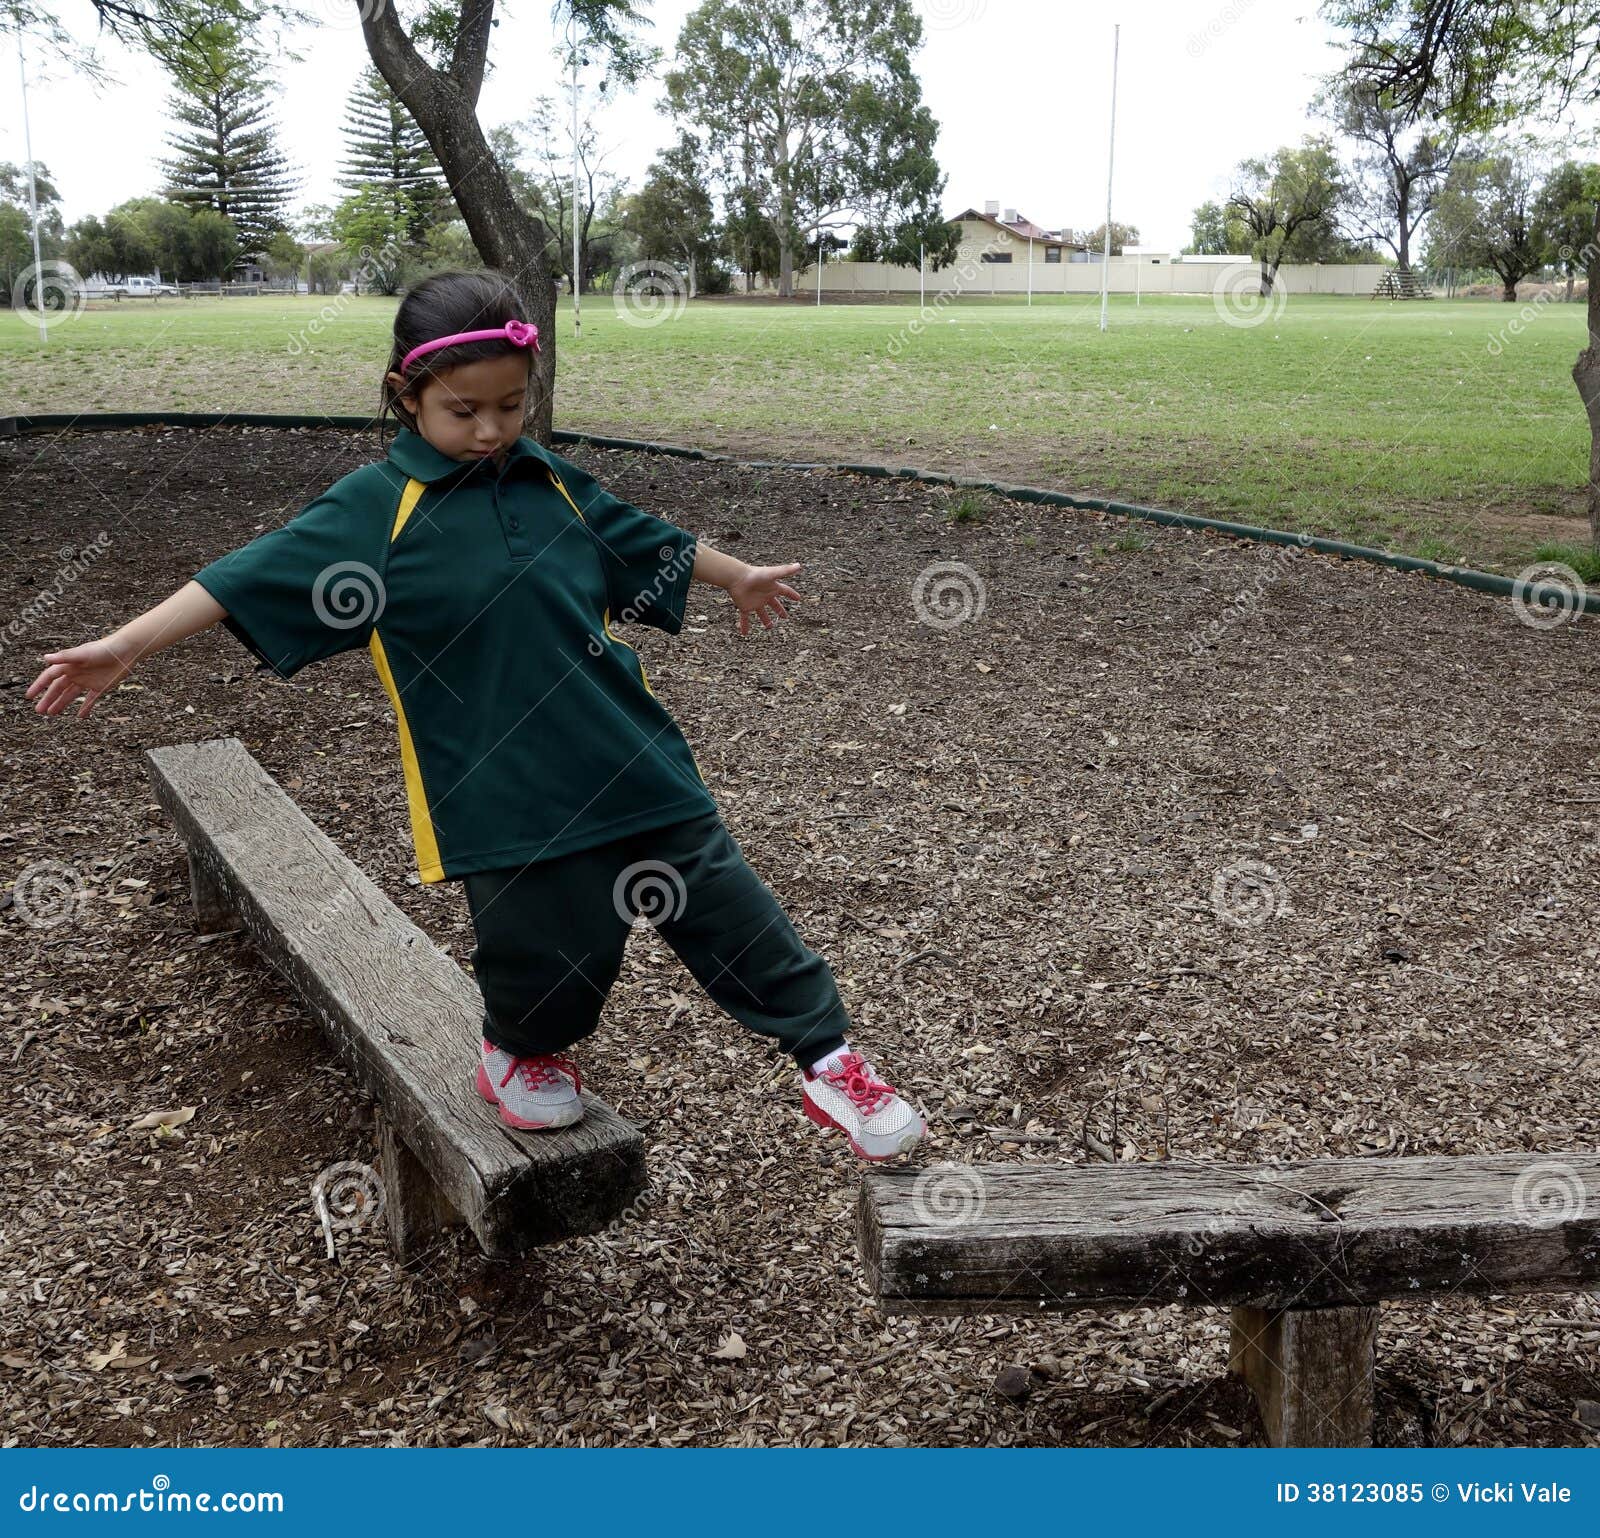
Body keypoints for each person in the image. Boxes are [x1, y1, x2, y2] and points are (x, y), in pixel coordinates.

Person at [26, 268, 926, 1162]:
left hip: (630, 754)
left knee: (728, 905)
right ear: (405, 397)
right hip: (501, 791)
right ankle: (519, 1049)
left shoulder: (550, 482)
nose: (492, 429)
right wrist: (124, 647)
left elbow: (644, 537)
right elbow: (240, 577)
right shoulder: (375, 511)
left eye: (511, 405)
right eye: (466, 411)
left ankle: (827, 1058)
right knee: (550, 963)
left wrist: (737, 577)